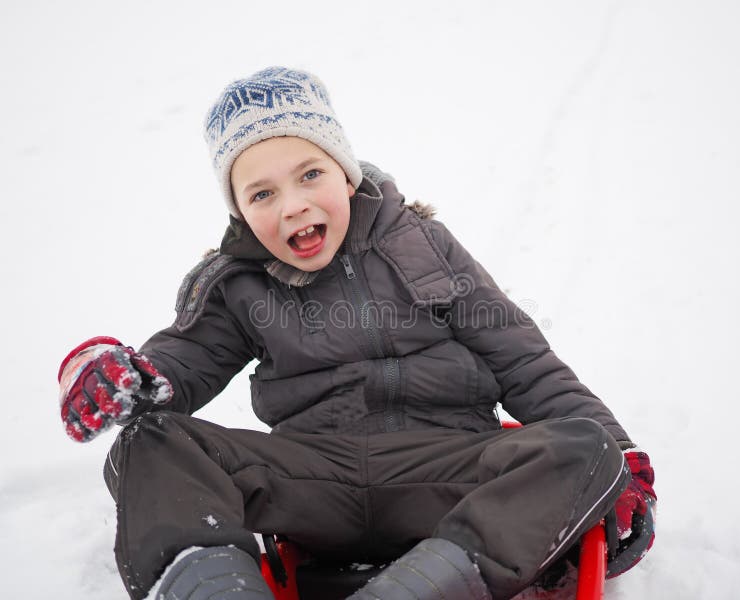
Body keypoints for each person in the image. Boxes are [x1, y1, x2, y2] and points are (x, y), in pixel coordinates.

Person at [57, 67, 656, 600]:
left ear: (345, 174)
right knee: (153, 443)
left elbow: (524, 361)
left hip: (445, 468)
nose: (292, 205)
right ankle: (211, 584)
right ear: (239, 211)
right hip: (314, 478)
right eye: (262, 193)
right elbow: (181, 362)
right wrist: (125, 377)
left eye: (309, 174)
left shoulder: (422, 244)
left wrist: (620, 458)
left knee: (585, 450)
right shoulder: (235, 283)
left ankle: (427, 583)